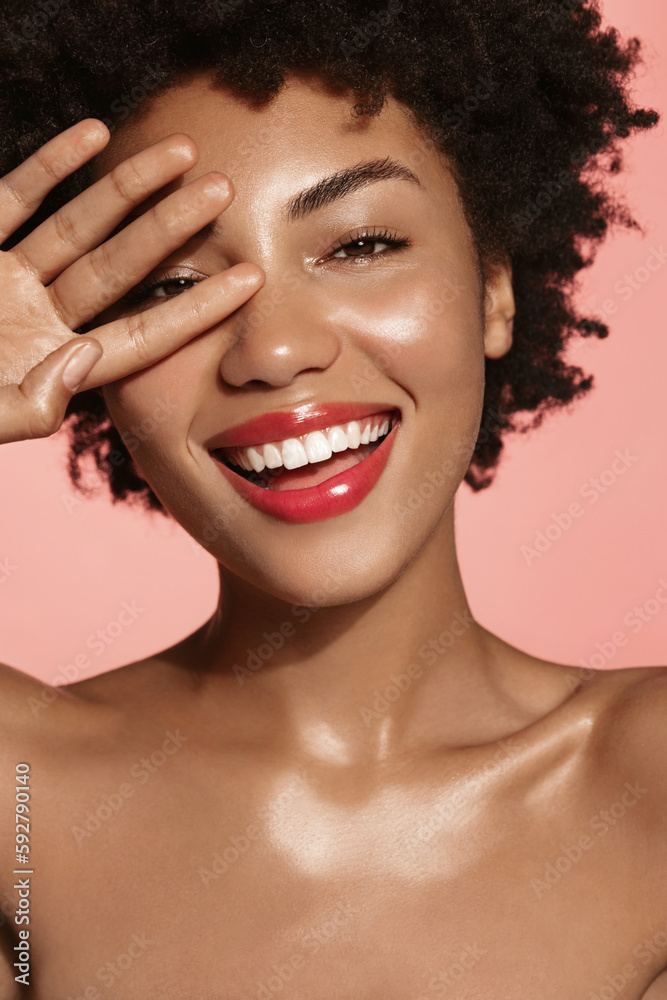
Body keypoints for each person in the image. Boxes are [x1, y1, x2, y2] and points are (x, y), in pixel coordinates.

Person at [0, 1, 665, 997]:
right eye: (171, 286)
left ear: (492, 287)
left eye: (358, 246)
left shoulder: (647, 785)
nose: (273, 351)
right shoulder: (20, 797)